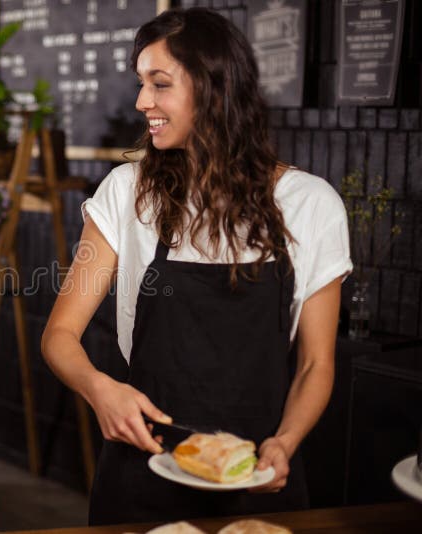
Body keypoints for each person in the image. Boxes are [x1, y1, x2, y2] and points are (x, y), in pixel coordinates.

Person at [41, 7, 351, 525]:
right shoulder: (126, 192)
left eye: (159, 84)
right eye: (141, 83)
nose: (142, 102)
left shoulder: (310, 204)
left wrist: (287, 442)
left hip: (256, 473)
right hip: (142, 476)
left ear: (214, 89)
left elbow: (317, 365)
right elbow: (59, 335)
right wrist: (100, 389)